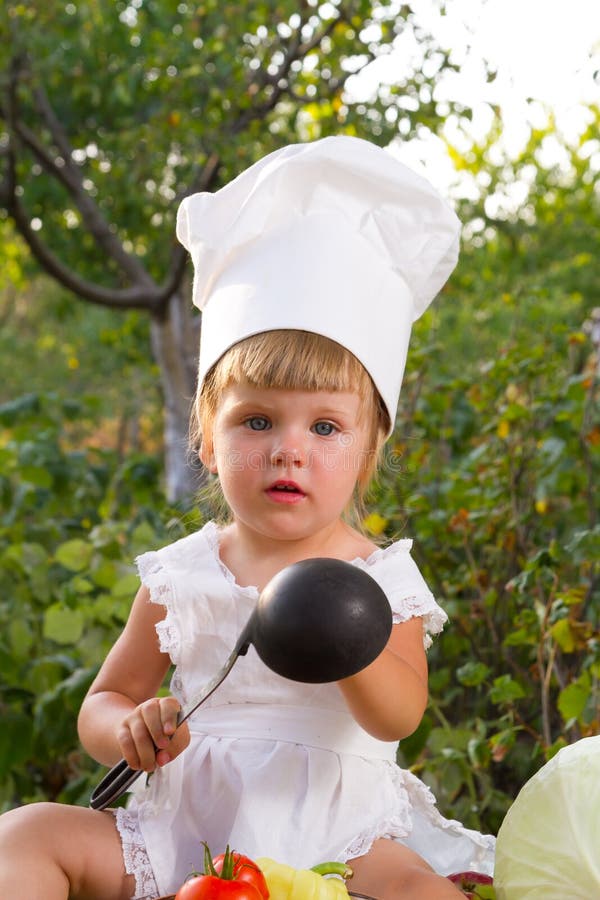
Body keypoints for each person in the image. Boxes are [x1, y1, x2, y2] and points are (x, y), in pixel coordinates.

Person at [0, 136, 495, 899]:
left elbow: (400, 715)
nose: (288, 452)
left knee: (431, 894)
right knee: (25, 832)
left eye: (324, 429)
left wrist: (346, 636)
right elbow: (105, 700)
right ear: (207, 436)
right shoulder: (183, 574)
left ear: (368, 450)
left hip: (340, 836)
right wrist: (127, 731)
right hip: (183, 831)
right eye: (257, 421)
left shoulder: (378, 577)